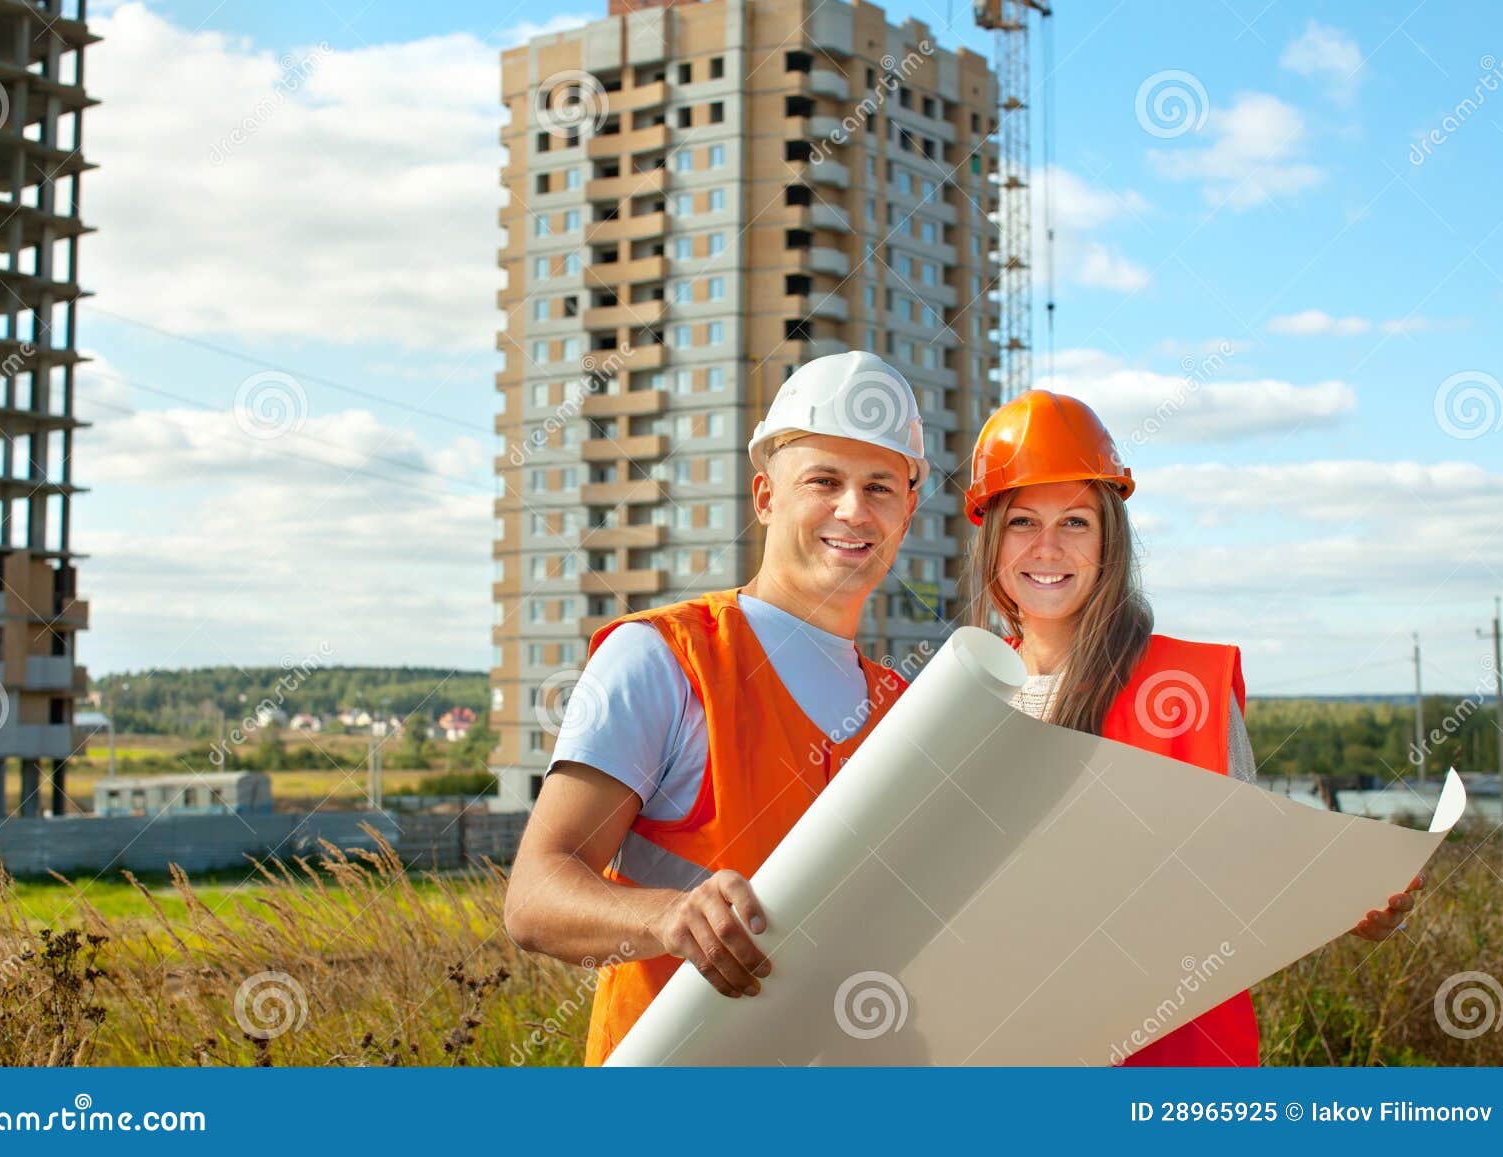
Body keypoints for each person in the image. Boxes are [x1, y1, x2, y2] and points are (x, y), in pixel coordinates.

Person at [960, 389, 1425, 1066]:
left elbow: (1252, 870)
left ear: (1110, 539)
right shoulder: (960, 699)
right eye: (1024, 520)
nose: (1048, 547)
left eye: (1077, 522)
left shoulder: (1190, 691)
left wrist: (1348, 898)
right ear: (991, 536)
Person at [504, 352, 928, 1065]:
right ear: (765, 497)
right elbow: (535, 897)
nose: (854, 510)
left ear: (907, 513)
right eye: (823, 480)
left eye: (879, 487)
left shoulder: (906, 712)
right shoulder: (664, 658)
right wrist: (670, 916)